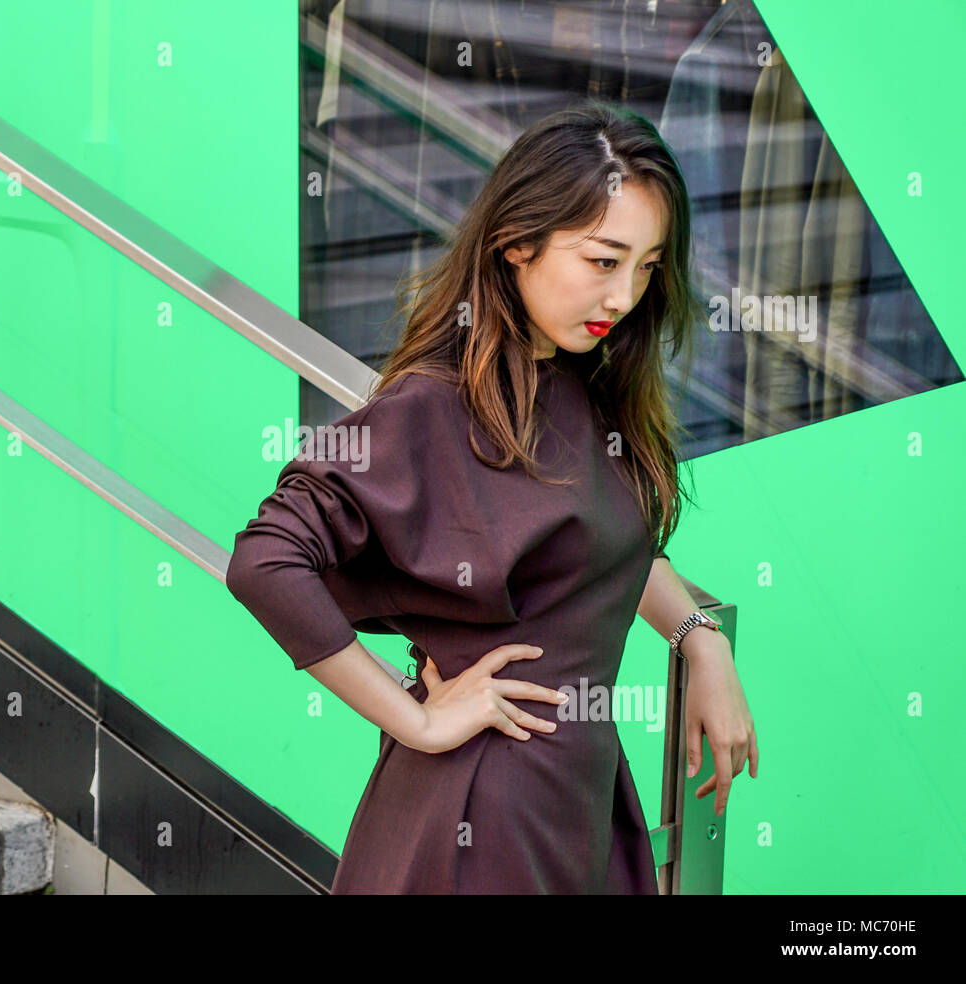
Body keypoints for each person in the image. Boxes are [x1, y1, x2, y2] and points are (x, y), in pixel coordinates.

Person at [226, 100, 757, 894]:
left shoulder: (584, 381)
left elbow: (599, 546)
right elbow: (264, 559)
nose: (624, 296)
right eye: (603, 261)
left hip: (574, 798)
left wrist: (698, 637)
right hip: (483, 812)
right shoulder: (434, 406)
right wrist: (416, 718)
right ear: (516, 243)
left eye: (647, 268)